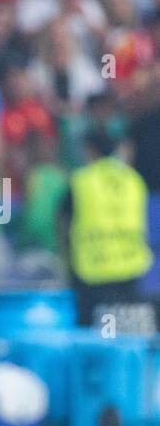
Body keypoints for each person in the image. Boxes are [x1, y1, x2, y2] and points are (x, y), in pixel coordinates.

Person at [64, 129, 153, 328]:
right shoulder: (133, 179)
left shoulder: (81, 181)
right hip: (130, 265)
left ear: (89, 150)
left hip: (93, 268)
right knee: (124, 332)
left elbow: (64, 224)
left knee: (98, 335)